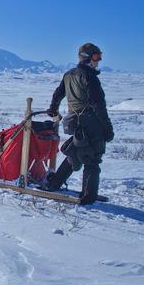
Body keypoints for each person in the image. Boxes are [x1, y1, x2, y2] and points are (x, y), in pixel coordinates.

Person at [43, 42, 114, 204]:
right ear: (87, 58)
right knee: (93, 159)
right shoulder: (90, 78)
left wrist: (53, 108)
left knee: (75, 152)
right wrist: (107, 127)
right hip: (91, 123)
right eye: (97, 57)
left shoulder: (69, 74)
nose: (99, 60)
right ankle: (88, 197)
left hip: (74, 122)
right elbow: (99, 105)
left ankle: (54, 183)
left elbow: (58, 93)